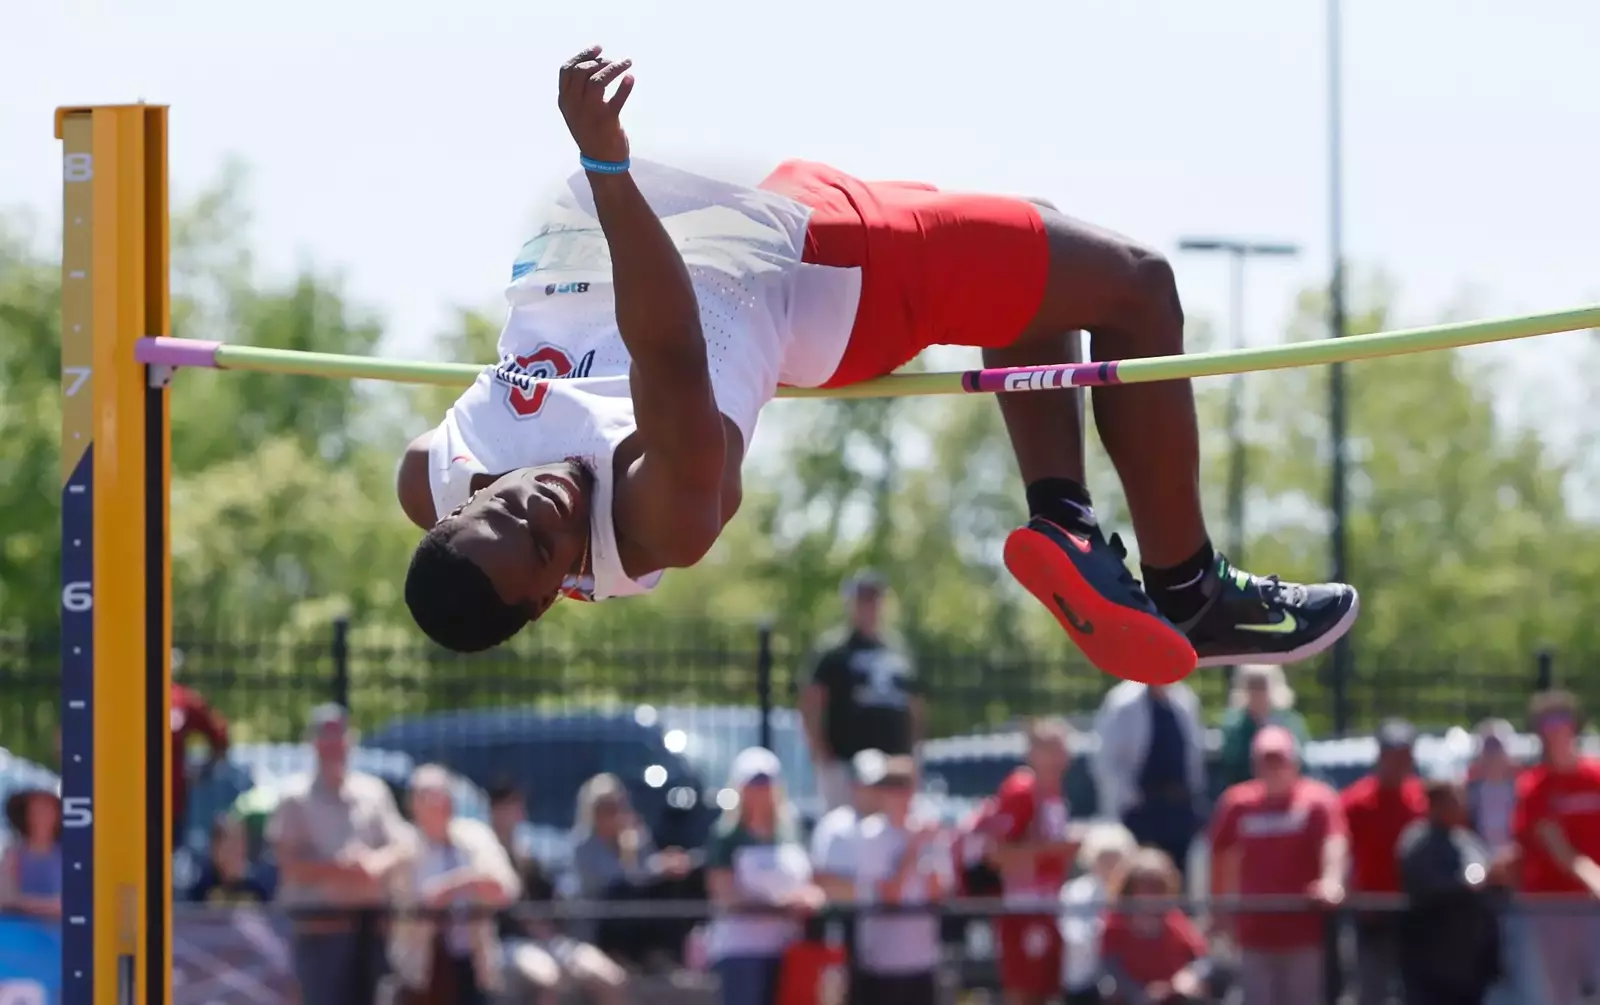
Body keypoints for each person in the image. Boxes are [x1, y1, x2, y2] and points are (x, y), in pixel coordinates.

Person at [395, 45, 1360, 687]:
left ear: (459, 507)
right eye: (541, 548)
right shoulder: (659, 519)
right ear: (546, 599)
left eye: (502, 508)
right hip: (811, 263)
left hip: (738, 204)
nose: (541, 506)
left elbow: (449, 490)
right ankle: (1191, 585)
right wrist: (606, 166)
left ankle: (1064, 520)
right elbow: (671, 346)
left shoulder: (432, 475)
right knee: (1135, 289)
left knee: (1037, 246)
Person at [266, 704, 408, 1005]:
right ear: (313, 743)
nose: (334, 744)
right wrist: (340, 868)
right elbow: (288, 865)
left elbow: (402, 845)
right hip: (319, 931)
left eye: (340, 735)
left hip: (370, 929)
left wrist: (372, 864)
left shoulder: (373, 792)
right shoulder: (295, 798)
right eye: (326, 735)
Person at [1208, 725, 1346, 1005]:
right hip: (1254, 931)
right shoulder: (1237, 803)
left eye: (1278, 760)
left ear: (1293, 762)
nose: (1272, 769)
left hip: (1304, 932)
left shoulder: (1317, 801)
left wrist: (1332, 880)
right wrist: (1219, 908)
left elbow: (1334, 842)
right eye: (1265, 761)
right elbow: (1219, 854)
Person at [386, 765, 522, 1005]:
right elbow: (410, 908)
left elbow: (506, 890)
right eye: (430, 798)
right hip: (422, 975)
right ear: (414, 805)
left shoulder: (476, 837)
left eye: (445, 796)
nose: (441, 804)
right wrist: (467, 884)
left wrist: (454, 885)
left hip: (474, 964)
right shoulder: (403, 847)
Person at [486, 781, 627, 1005]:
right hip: (509, 942)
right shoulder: (483, 853)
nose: (517, 814)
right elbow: (504, 909)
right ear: (494, 811)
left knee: (610, 978)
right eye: (510, 807)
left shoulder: (531, 851)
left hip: (551, 940)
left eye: (519, 807)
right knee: (548, 981)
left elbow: (554, 897)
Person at [702, 748, 823, 1005]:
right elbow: (725, 896)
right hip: (743, 951)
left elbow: (813, 882)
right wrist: (781, 906)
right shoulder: (726, 837)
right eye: (754, 783)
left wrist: (810, 899)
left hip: (790, 948)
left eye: (766, 783)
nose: (761, 790)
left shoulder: (794, 831)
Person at [975, 718, 1080, 1005]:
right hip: (1022, 907)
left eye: (1060, 747)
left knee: (1049, 988)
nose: (1057, 756)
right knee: (1023, 990)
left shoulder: (1056, 794)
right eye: (1048, 748)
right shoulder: (1021, 791)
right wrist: (1054, 850)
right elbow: (995, 854)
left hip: (1050, 905)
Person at [800, 573, 923, 811]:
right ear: (851, 604)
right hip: (847, 765)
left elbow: (915, 704)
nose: (870, 606)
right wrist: (821, 754)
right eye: (863, 599)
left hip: (894, 766)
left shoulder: (898, 650)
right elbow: (812, 702)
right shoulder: (834, 651)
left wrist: (915, 752)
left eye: (874, 599)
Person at [1511, 689, 1600, 1005]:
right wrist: (1595, 879)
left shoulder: (1595, 775)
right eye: (1548, 724)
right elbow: (1561, 851)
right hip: (1551, 904)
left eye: (1563, 721)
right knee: (1558, 993)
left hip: (1593, 907)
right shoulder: (1533, 787)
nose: (1558, 731)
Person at [849, 756, 952, 1005]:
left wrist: (927, 850)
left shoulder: (929, 831)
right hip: (882, 962)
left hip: (922, 960)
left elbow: (939, 894)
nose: (899, 794)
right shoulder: (868, 834)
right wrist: (913, 849)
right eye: (892, 786)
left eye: (905, 786)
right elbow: (889, 895)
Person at [1339, 717, 1426, 1005]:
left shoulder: (1422, 799)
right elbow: (1341, 851)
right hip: (1371, 912)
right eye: (1391, 755)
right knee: (1371, 990)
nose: (1398, 763)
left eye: (1404, 755)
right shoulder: (1356, 801)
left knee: (1417, 989)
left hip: (1415, 912)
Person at [1396, 778, 1502, 1005]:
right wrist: (1469, 883)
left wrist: (1494, 874)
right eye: (1455, 801)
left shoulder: (1466, 839)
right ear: (1436, 804)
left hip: (1469, 956)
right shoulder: (1418, 840)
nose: (1462, 806)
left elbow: (1482, 868)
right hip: (1430, 954)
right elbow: (1430, 883)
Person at [1092, 679, 1207, 878]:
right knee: (1141, 876)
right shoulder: (1121, 702)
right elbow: (1106, 761)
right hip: (1141, 812)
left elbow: (1194, 754)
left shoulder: (1185, 699)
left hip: (1179, 812)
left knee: (1179, 876)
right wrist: (1129, 799)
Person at [1099, 848, 1215, 1004]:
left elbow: (1202, 959)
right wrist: (1141, 994)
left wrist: (1190, 975)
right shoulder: (1115, 924)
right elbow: (1112, 970)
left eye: (1158, 889)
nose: (1152, 897)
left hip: (1172, 997)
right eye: (1145, 889)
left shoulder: (1174, 920)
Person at [1059, 822, 1139, 1004]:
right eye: (1105, 858)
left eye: (1116, 858)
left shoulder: (1131, 891)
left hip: (1124, 979)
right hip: (1083, 979)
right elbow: (1074, 934)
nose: (1110, 864)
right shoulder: (1075, 891)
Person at [1215, 665, 1310, 790]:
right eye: (1252, 685)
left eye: (1261, 685)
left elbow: (1302, 763)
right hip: (1247, 791)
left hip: (1286, 793)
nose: (1257, 691)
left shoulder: (1290, 722)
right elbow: (1231, 765)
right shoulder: (1234, 725)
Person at [0, 783, 62, 921]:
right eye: (36, 810)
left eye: (48, 809)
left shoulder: (68, 856)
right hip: (20, 932)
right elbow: (5, 898)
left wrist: (24, 903)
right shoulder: (13, 853)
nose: (42, 816)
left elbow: (72, 904)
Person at [187, 814, 272, 906]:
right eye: (233, 841)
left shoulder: (257, 887)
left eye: (243, 841)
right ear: (216, 847)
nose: (241, 849)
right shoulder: (200, 887)